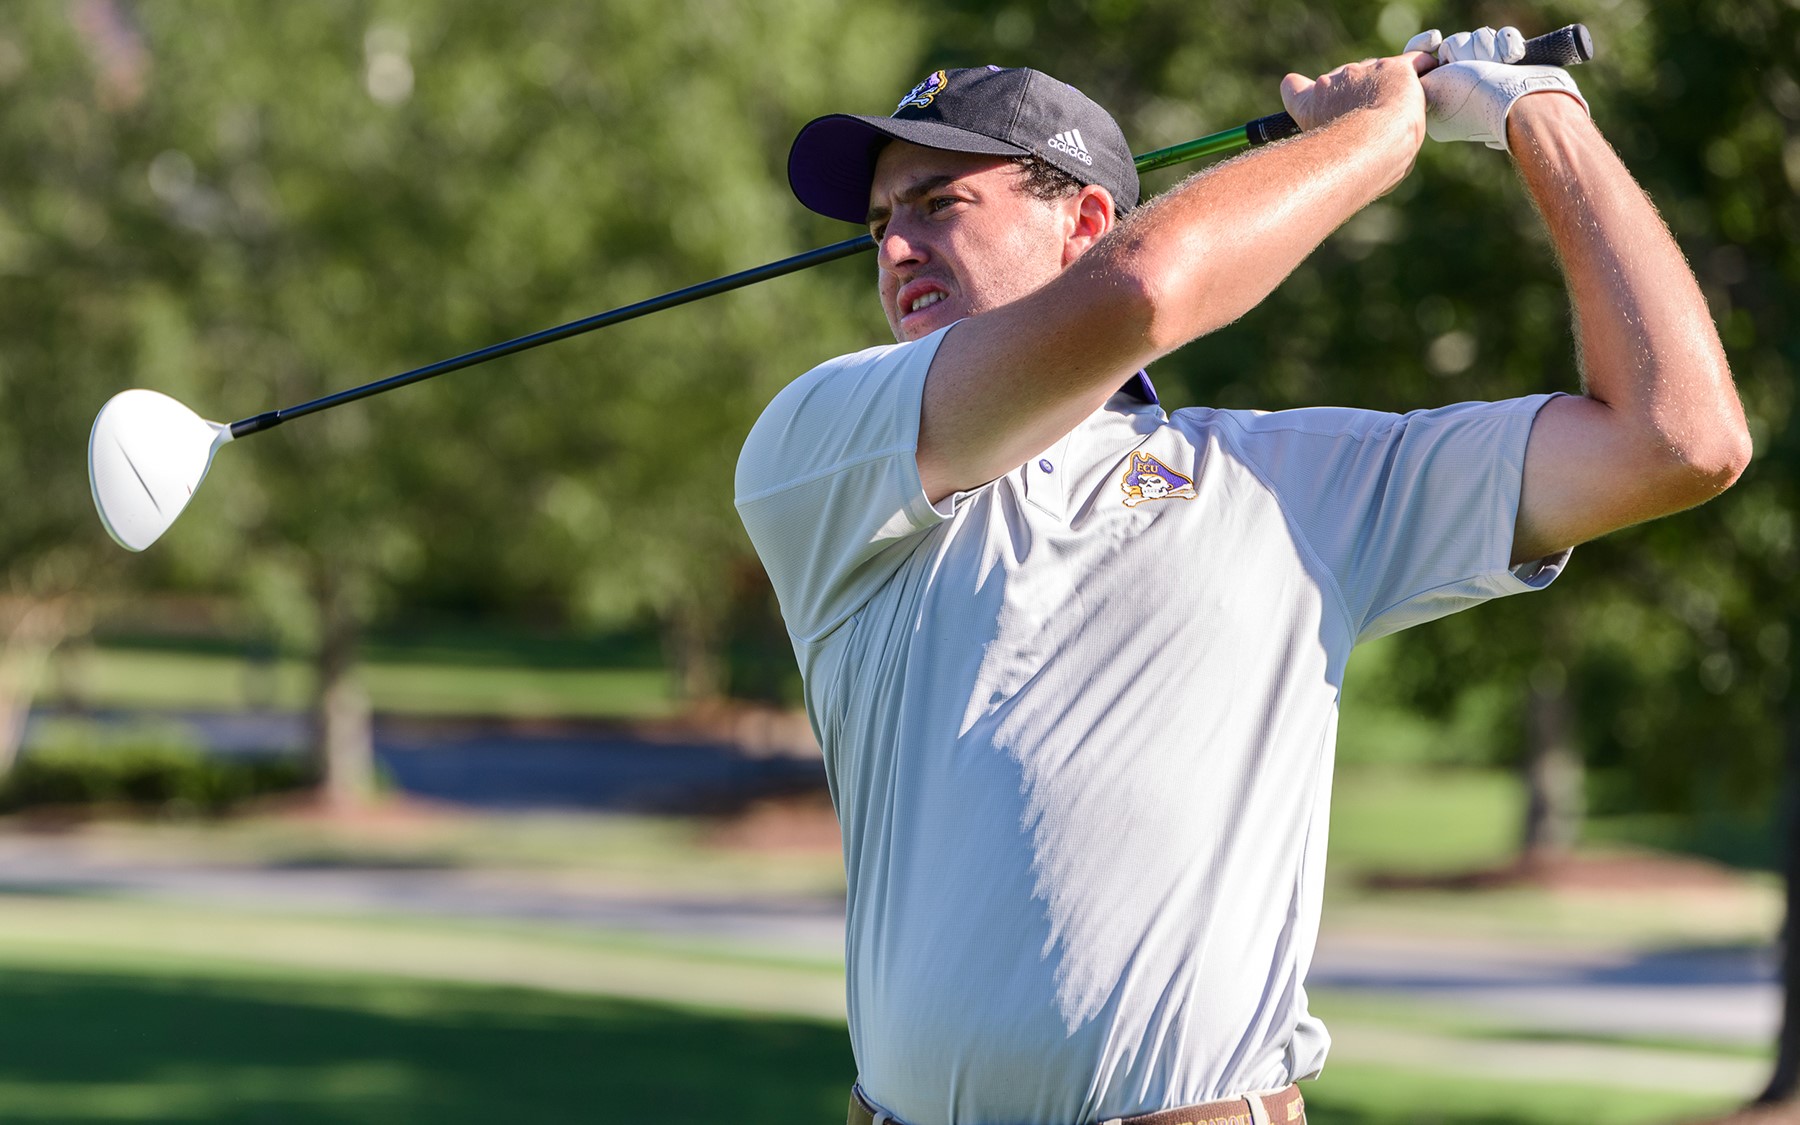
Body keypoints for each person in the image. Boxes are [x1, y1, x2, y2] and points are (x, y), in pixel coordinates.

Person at [735, 26, 1749, 1125]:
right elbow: (1143, 290)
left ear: (1080, 222)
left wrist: (1536, 114)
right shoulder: (826, 446)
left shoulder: (1287, 479)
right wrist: (1375, 137)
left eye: (939, 203)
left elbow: (1680, 438)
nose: (892, 248)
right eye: (882, 222)